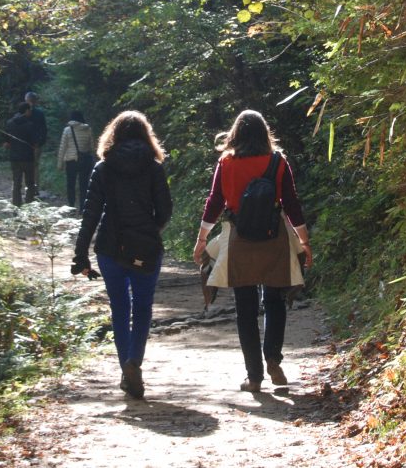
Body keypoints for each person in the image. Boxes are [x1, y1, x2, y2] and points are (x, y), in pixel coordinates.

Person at [192, 110, 313, 392]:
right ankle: (273, 358)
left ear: (236, 133)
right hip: (275, 239)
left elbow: (215, 201)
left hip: (239, 240)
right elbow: (292, 203)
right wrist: (305, 242)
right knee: (274, 300)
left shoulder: (227, 162)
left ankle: (254, 377)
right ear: (264, 133)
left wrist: (202, 239)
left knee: (245, 309)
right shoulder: (278, 161)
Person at [71, 111, 172, 399]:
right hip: (145, 248)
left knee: (119, 309)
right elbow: (165, 210)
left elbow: (90, 214)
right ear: (145, 135)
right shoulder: (153, 168)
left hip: (110, 248)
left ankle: (126, 369)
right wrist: (150, 229)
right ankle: (134, 362)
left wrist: (81, 255)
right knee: (142, 308)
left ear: (112, 135)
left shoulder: (103, 168)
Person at [2, 94, 45, 205]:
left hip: (14, 158)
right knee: (30, 183)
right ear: (26, 111)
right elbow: (35, 143)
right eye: (29, 110)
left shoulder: (9, 123)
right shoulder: (30, 125)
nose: (31, 112)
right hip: (28, 158)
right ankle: (29, 205)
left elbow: (6, 143)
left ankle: (16, 205)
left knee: (16, 183)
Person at [56, 109, 97, 211]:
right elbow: (92, 147)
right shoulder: (88, 129)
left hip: (71, 161)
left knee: (71, 184)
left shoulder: (67, 130)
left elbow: (63, 147)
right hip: (85, 160)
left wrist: (60, 163)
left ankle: (71, 206)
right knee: (83, 185)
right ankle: (82, 207)